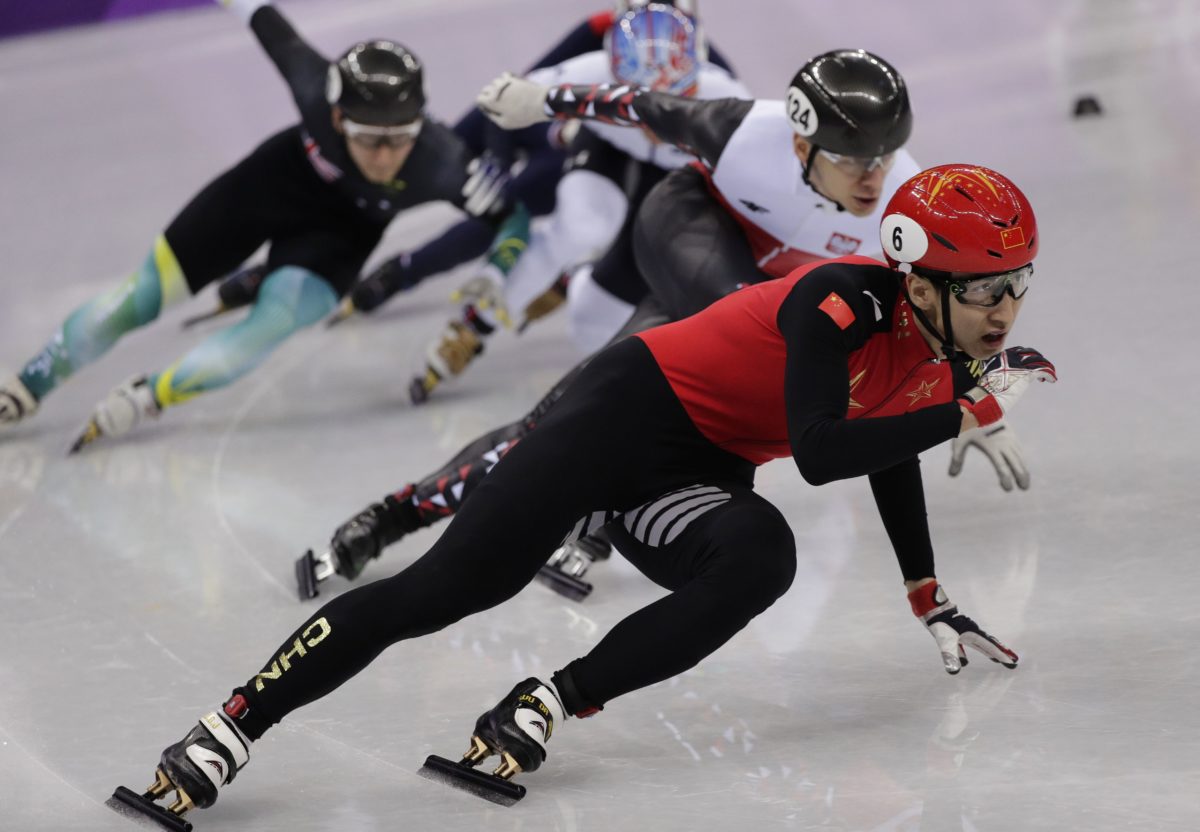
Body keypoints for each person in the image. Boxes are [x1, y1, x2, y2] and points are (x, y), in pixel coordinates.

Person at [114, 164, 1055, 826]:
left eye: (1013, 285)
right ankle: (231, 726)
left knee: (762, 558)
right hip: (620, 413)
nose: (1003, 309)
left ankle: (544, 704)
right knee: (443, 594)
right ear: (916, 278)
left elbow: (891, 441)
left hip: (694, 471)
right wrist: (963, 415)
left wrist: (924, 590)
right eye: (982, 289)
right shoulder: (839, 302)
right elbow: (819, 450)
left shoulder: (946, 350)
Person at [297, 48, 1020, 599]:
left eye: (883, 157)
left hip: (758, 295)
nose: (872, 177)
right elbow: (638, 104)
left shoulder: (905, 202)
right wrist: (540, 100)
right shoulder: (745, 132)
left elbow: (934, 311)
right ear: (800, 146)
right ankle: (605, 507)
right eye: (851, 159)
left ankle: (390, 516)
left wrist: (967, 387)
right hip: (690, 231)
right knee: (739, 371)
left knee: (562, 421)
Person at [0, 0, 509, 450]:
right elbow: (257, 12)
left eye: (401, 138)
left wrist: (501, 273)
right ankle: (26, 388)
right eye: (368, 137)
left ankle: (149, 397)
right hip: (271, 185)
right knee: (141, 296)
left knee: (266, 328)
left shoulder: (442, 163)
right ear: (335, 118)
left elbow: (513, 216)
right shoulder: (313, 84)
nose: (385, 155)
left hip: (340, 236)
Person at [405, 3, 750, 403]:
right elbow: (504, 97)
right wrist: (498, 160)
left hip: (675, 174)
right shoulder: (591, 72)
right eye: (639, 102)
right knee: (582, 227)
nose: (654, 122)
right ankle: (474, 324)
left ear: (699, 74)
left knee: (628, 294)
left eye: (676, 101)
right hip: (607, 146)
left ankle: (577, 277)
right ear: (613, 74)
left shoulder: (727, 95)